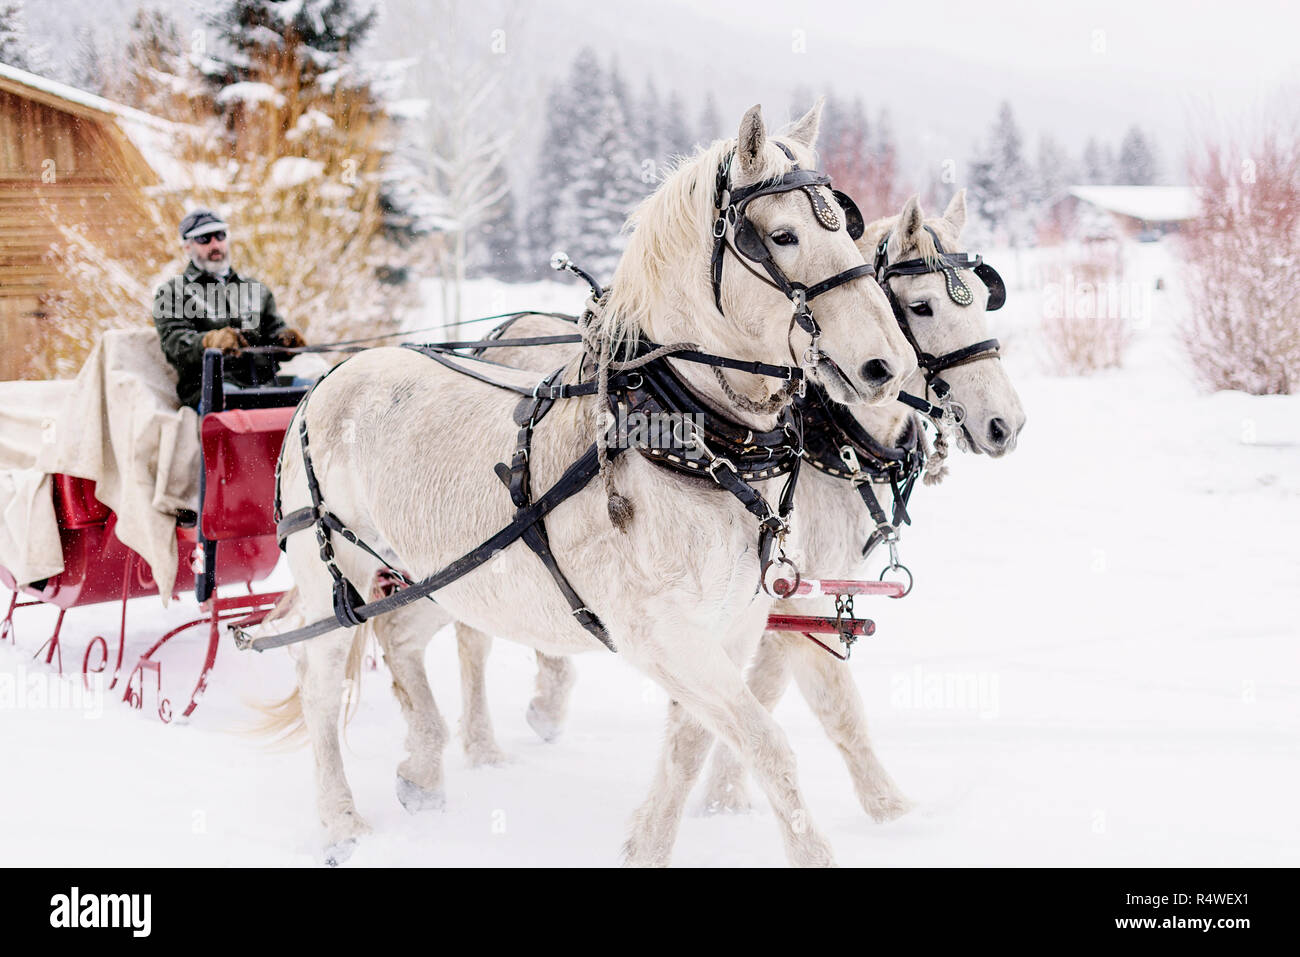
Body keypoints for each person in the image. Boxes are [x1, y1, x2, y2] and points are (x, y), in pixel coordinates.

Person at [153, 209, 307, 409]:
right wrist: (209, 341)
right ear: (187, 247)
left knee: (324, 393)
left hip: (268, 383)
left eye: (220, 235)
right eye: (204, 239)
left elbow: (273, 329)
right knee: (237, 412)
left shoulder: (255, 289)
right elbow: (175, 345)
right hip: (214, 388)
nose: (215, 244)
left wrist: (286, 339)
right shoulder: (172, 292)